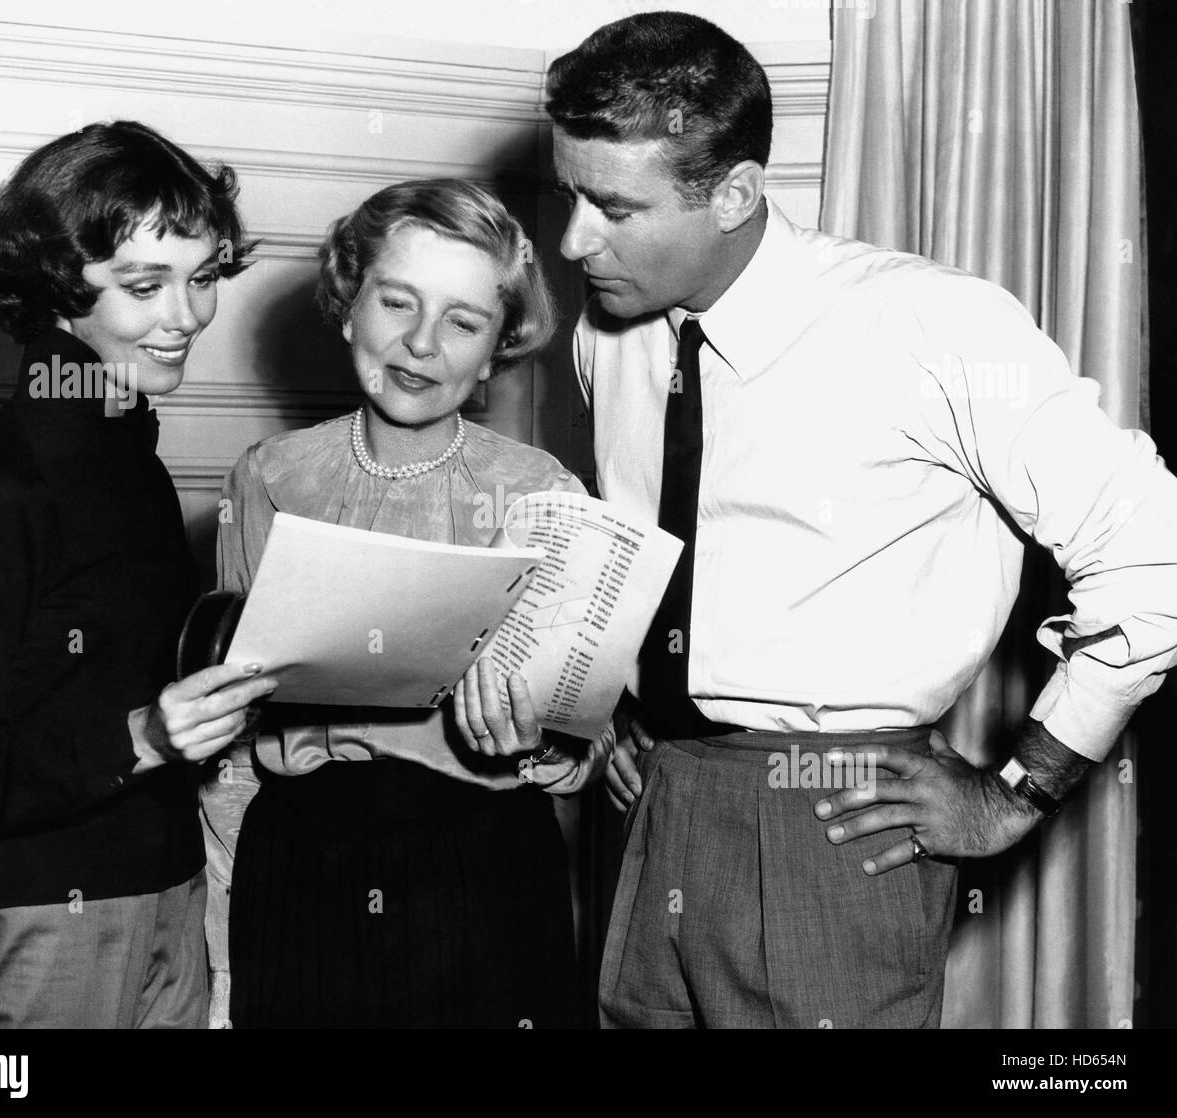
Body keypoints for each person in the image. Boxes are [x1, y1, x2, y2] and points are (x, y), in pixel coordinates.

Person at [546, 11, 1177, 1028]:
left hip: (830, 817)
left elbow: (1155, 554)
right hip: (645, 805)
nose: (575, 241)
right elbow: (642, 548)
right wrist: (614, 714)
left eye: (613, 206)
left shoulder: (930, 325)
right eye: (570, 193)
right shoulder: (607, 330)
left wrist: (1016, 789)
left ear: (737, 194)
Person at [201, 179, 610, 1029]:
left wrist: (545, 746)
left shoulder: (541, 492)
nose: (421, 344)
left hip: (485, 870)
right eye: (397, 303)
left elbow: (585, 742)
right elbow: (231, 746)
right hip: (301, 870)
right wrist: (221, 953)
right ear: (349, 305)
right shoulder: (269, 478)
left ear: (498, 347)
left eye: (463, 321)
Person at [0, 121, 277, 1029]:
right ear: (58, 289)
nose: (185, 318)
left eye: (203, 278)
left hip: (167, 886)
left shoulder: (124, 444)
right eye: (145, 286)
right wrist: (144, 735)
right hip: (35, 920)